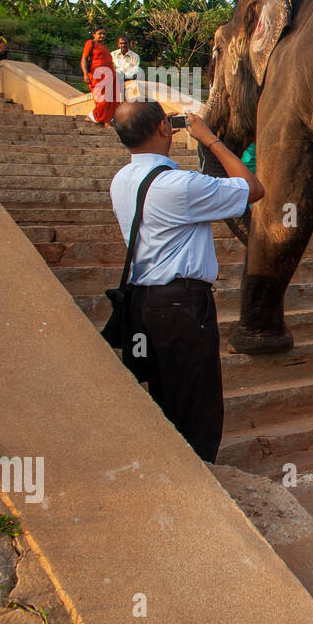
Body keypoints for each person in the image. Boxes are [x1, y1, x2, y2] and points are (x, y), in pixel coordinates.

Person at [109, 100, 265, 462]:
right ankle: (202, 479)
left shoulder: (121, 180)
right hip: (181, 306)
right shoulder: (179, 185)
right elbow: (252, 188)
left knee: (165, 395)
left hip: (143, 304)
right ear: (166, 128)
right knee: (197, 402)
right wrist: (210, 139)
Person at [81, 26, 121, 124]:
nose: (102, 36)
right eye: (100, 33)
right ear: (94, 34)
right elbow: (84, 58)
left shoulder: (104, 48)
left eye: (104, 34)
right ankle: (93, 116)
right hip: (97, 75)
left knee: (112, 100)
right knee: (102, 99)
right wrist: (85, 74)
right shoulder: (90, 43)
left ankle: (106, 121)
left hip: (110, 76)